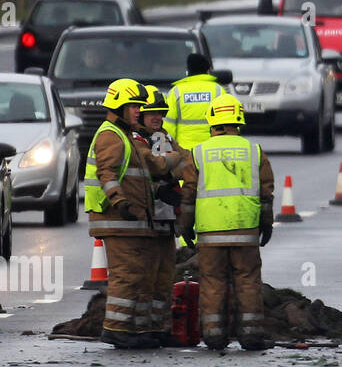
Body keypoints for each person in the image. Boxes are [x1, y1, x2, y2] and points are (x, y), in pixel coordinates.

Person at [83, 77, 188, 349]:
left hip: (135, 220)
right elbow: (107, 173)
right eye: (135, 107)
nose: (140, 112)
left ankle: (142, 329)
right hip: (118, 219)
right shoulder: (112, 135)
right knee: (127, 275)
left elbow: (155, 169)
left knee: (145, 275)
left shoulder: (128, 136)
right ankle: (116, 328)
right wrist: (120, 202)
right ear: (118, 106)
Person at [177, 94, 275, 351]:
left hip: (211, 233)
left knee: (213, 281)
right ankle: (252, 335)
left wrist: (185, 226)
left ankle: (214, 336)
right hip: (245, 231)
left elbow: (188, 195)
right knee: (248, 280)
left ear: (212, 122)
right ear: (238, 121)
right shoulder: (254, 152)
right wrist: (266, 224)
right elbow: (266, 194)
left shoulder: (198, 153)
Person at [137, 85, 185, 346]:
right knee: (147, 275)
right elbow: (145, 175)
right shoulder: (136, 141)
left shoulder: (163, 137)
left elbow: (184, 165)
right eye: (151, 113)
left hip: (166, 219)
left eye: (161, 113)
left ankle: (158, 328)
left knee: (165, 275)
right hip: (146, 221)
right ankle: (143, 330)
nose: (157, 117)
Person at [164, 53, 226, 149]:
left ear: (188, 71)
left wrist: (168, 151)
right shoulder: (218, 90)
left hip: (185, 152)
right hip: (212, 151)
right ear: (207, 70)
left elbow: (168, 126)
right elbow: (229, 123)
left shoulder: (176, 92)